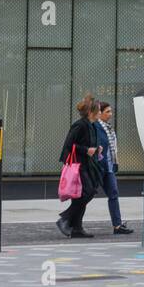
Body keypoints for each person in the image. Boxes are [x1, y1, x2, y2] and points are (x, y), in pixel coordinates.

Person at [57, 94, 103, 238]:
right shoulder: (80, 125)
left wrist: (96, 149)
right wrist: (86, 150)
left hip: (88, 163)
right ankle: (65, 218)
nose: (101, 113)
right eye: (99, 110)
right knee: (87, 192)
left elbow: (88, 144)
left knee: (84, 194)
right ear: (91, 112)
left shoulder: (93, 126)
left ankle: (77, 228)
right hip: (77, 164)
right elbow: (69, 145)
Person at [95, 101, 133, 236]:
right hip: (98, 167)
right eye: (107, 112)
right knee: (85, 196)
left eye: (111, 111)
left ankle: (117, 226)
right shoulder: (95, 126)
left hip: (109, 167)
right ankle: (69, 221)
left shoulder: (108, 127)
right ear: (99, 113)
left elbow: (111, 148)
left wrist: (114, 163)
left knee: (113, 194)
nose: (110, 114)